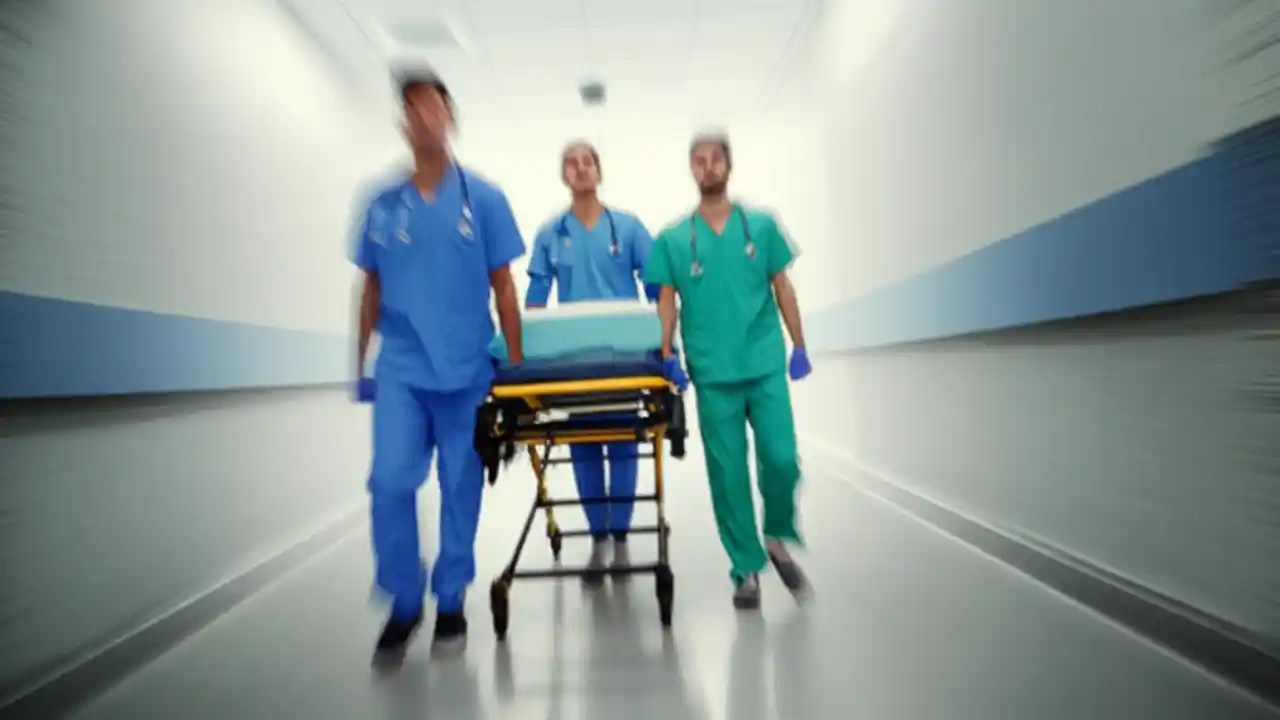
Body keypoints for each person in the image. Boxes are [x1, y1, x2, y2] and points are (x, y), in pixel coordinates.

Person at [350, 63, 525, 662]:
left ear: (450, 116)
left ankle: (450, 598)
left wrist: (518, 373)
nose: (424, 117)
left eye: (434, 106)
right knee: (391, 481)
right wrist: (361, 364)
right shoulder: (380, 203)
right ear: (402, 123)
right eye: (413, 108)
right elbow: (369, 288)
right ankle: (404, 600)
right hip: (400, 368)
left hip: (469, 369)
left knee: (460, 485)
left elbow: (505, 289)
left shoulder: (486, 199)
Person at [644, 132, 813, 609]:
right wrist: (666, 353)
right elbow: (666, 300)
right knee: (728, 474)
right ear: (691, 170)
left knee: (782, 459)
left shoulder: (761, 225)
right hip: (713, 373)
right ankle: (746, 568)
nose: (708, 166)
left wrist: (799, 344)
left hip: (762, 364)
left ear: (729, 166)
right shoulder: (675, 239)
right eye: (699, 160)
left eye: (716, 159)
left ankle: (778, 535)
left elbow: (783, 286)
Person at [525, 140, 658, 584]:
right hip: (575, 361)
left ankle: (618, 537)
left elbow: (658, 287)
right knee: (583, 443)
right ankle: (597, 539)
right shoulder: (551, 233)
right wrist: (525, 355)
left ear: (600, 171)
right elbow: (537, 300)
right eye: (572, 163)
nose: (581, 169)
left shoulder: (629, 226)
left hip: (623, 358)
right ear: (564, 175)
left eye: (588, 162)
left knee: (623, 441)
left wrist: (666, 341)